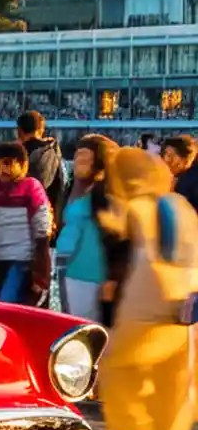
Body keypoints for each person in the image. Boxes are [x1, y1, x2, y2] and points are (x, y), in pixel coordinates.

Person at [99, 147, 198, 430]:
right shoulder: (182, 206)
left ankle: (132, 424)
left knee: (120, 364)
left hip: (147, 295)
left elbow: (116, 230)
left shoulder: (138, 206)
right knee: (177, 370)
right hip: (185, 293)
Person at [55, 135, 125, 323]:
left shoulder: (107, 195)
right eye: (77, 157)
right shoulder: (72, 188)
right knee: (72, 323)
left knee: (86, 327)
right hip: (67, 268)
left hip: (91, 273)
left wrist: (113, 277)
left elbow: (117, 239)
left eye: (86, 158)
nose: (79, 162)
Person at [0, 142, 52, 306]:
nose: (2, 169)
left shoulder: (31, 188)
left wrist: (41, 274)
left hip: (21, 261)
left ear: (23, 165)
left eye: (8, 163)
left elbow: (43, 230)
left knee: (6, 305)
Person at [16, 110, 67, 214]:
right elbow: (62, 183)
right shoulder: (53, 150)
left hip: (23, 216)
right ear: (41, 129)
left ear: (19, 131)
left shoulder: (16, 156)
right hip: (49, 213)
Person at [161, 135, 198, 212]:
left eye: (170, 156)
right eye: (165, 155)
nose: (166, 160)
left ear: (186, 158)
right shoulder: (179, 178)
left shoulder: (187, 181)